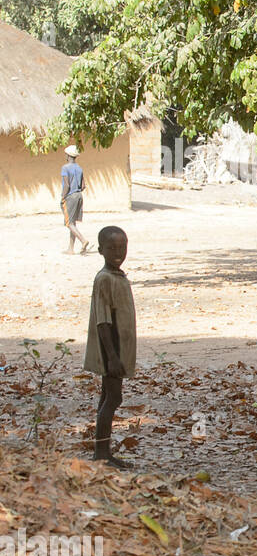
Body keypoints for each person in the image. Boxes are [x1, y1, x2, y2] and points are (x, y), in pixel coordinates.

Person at [84, 226, 136, 468]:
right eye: (112, 248)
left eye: (122, 247)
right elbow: (103, 322)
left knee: (108, 396)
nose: (118, 252)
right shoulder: (104, 278)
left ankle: (102, 451)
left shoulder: (117, 276)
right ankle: (101, 453)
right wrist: (112, 357)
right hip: (111, 349)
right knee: (113, 398)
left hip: (118, 350)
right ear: (100, 250)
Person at [60, 145, 91, 254]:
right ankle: (71, 248)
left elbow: (66, 185)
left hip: (70, 197)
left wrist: (63, 197)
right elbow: (83, 186)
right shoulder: (79, 168)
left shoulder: (65, 168)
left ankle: (83, 240)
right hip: (79, 196)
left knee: (69, 223)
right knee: (73, 223)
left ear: (68, 156)